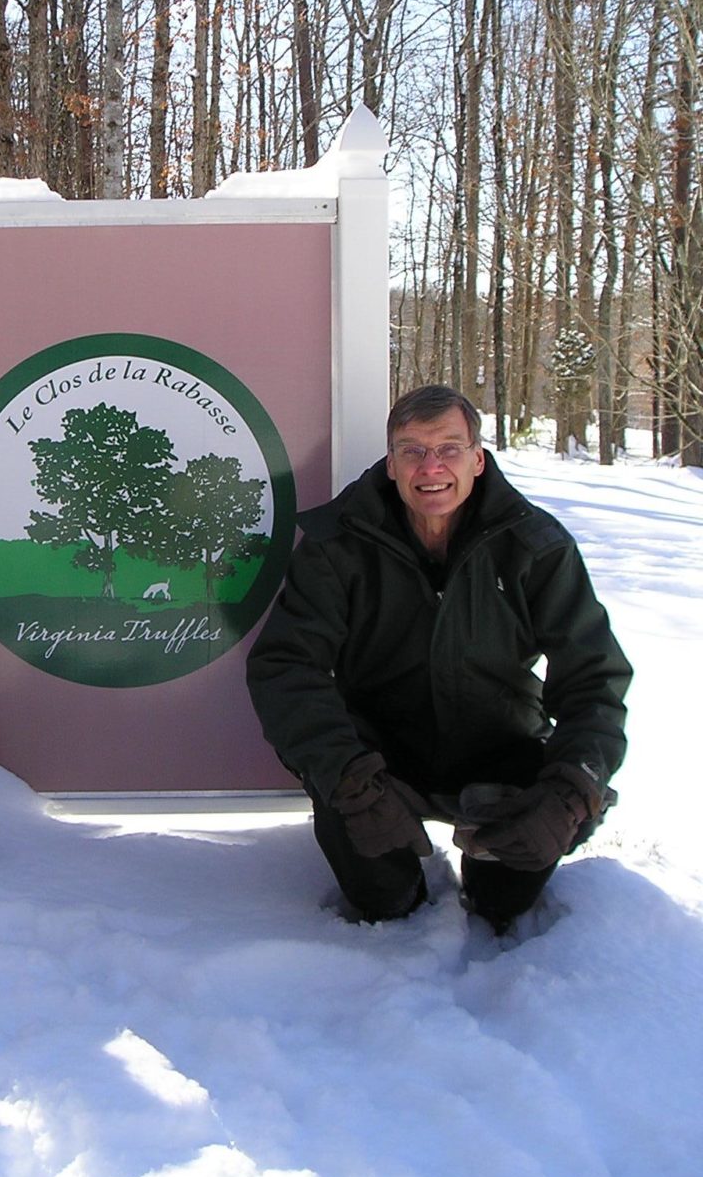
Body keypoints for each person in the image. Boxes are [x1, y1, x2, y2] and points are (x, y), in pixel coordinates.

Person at [246, 384, 631, 932]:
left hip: (501, 748)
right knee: (384, 900)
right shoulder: (339, 544)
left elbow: (595, 679)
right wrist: (346, 777)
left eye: (449, 448)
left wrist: (570, 793)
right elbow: (286, 667)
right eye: (413, 450)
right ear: (391, 463)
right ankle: (389, 876)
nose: (432, 467)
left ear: (478, 459)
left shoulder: (535, 546)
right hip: (377, 764)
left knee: (505, 901)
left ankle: (494, 872)